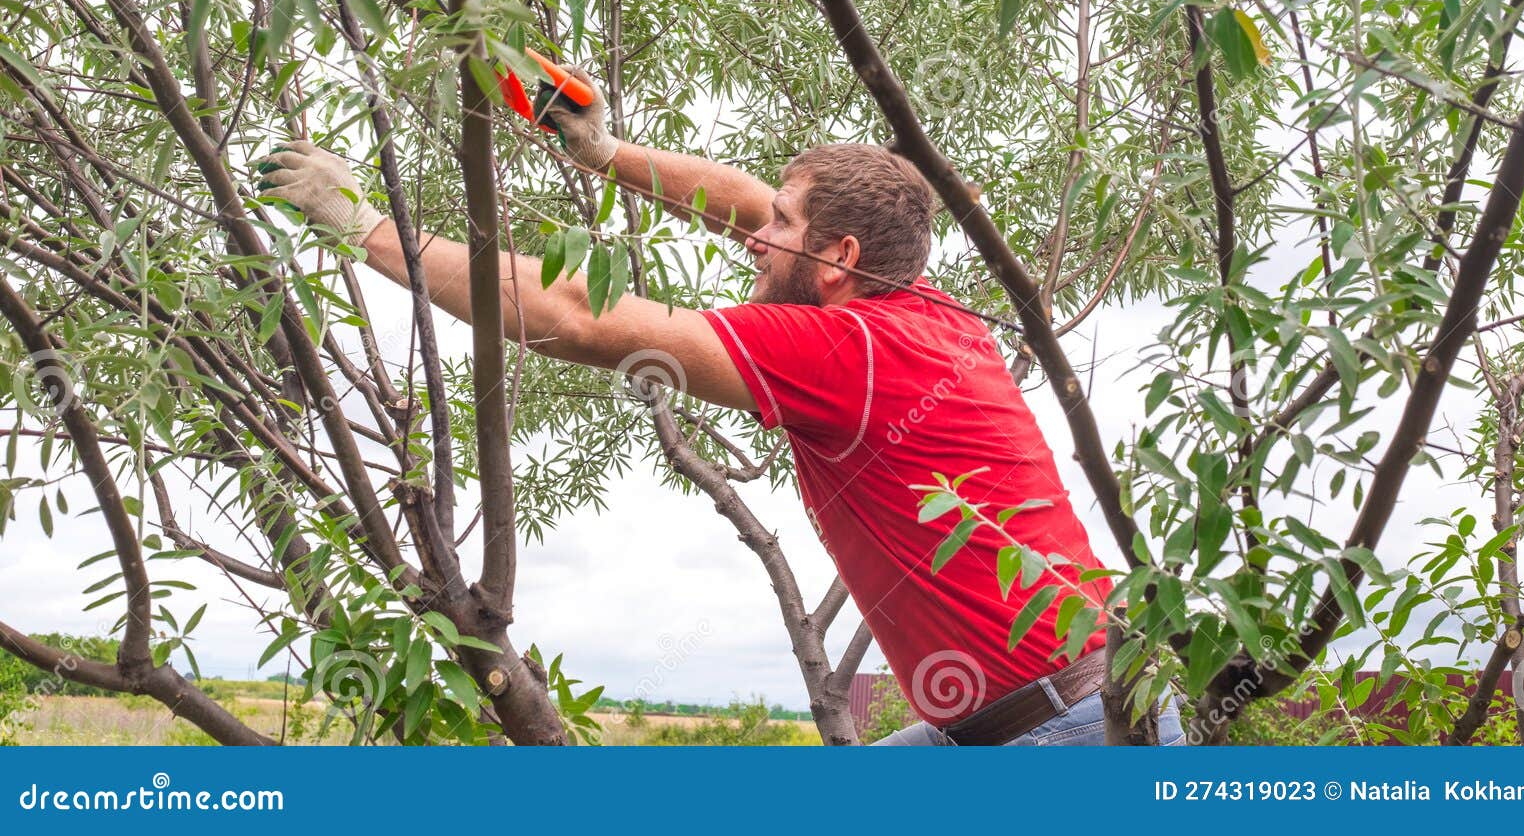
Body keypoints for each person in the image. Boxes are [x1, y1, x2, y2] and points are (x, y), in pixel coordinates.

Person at [257, 73, 1184, 746]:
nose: (754, 237)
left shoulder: (840, 351)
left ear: (835, 257)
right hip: (1049, 704)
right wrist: (602, 152)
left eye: (780, 227)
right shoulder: (913, 302)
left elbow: (574, 317)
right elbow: (745, 201)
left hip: (1056, 737)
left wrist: (364, 227)